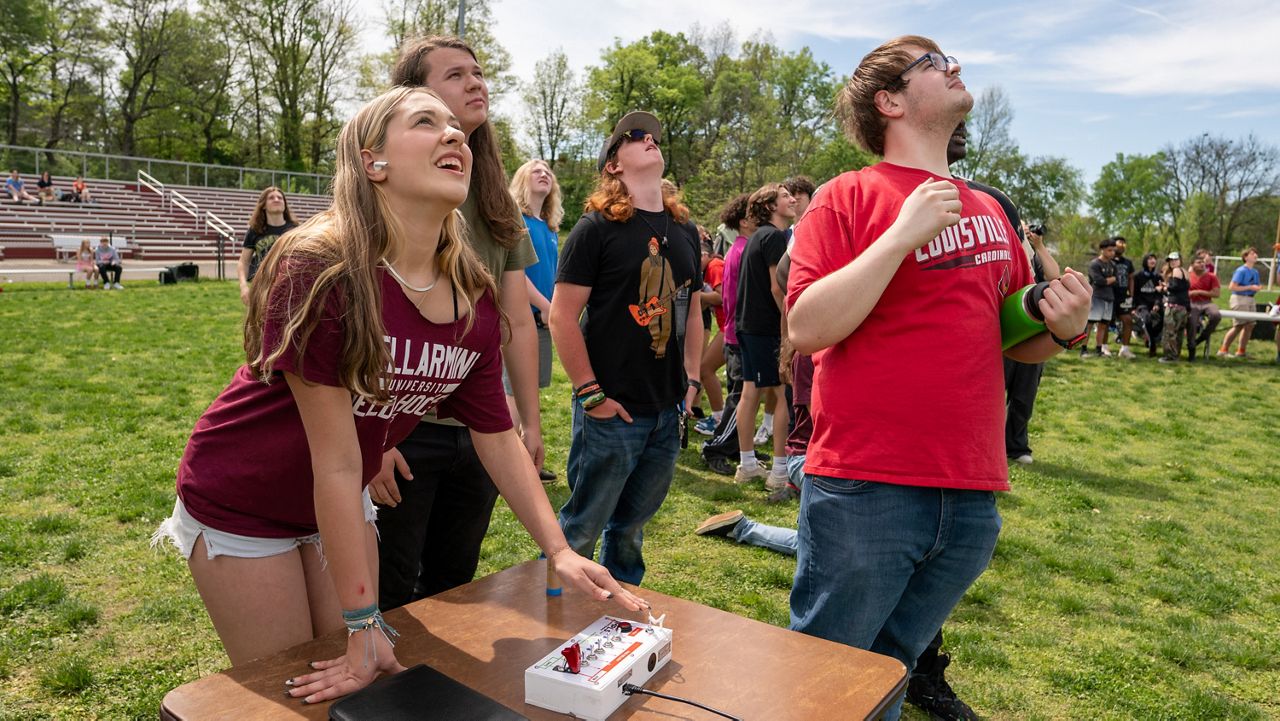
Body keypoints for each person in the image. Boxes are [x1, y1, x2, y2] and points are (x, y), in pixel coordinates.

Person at [151, 87, 646, 705]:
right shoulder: (320, 266)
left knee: (350, 686)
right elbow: (335, 461)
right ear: (372, 162)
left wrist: (559, 550)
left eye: (456, 127)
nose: (455, 134)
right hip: (244, 499)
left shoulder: (473, 295)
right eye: (425, 122)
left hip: (340, 494)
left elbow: (496, 435)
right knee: (296, 691)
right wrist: (364, 623)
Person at [785, 36, 1090, 721]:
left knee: (889, 676)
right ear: (889, 102)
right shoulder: (845, 197)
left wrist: (1063, 328)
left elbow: (1012, 337)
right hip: (867, 485)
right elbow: (806, 326)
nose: (953, 66)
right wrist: (900, 236)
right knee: (825, 683)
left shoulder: (990, 209)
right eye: (931, 63)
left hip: (972, 493)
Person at [373, 35, 545, 610]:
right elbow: (361, 316)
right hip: (401, 426)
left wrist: (530, 422)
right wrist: (372, 438)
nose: (475, 83)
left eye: (478, 72)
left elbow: (517, 320)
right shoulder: (391, 191)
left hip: (479, 428)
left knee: (454, 585)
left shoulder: (497, 201)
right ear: (411, 97)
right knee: (389, 588)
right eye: (455, 75)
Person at [550, 110, 703, 585]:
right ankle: (550, 614)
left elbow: (692, 310)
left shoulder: (685, 231)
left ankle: (619, 615)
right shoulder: (595, 228)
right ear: (613, 165)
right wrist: (590, 393)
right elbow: (561, 316)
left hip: (666, 410)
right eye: (635, 136)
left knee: (631, 531)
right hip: (611, 409)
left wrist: (692, 379)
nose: (649, 139)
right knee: (581, 528)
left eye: (653, 135)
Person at [733, 183, 796, 489]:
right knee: (784, 392)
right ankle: (779, 472)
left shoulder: (757, 236)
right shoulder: (774, 237)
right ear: (771, 206)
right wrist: (790, 324)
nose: (792, 199)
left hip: (748, 325)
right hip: (765, 328)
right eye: (785, 196)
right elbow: (777, 286)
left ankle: (747, 464)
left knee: (751, 393)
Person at [508, 158, 563, 482]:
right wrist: (546, 306)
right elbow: (513, 273)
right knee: (513, 393)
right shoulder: (516, 219)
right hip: (520, 319)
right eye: (536, 171)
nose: (544, 174)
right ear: (522, 180)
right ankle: (509, 467)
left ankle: (526, 460)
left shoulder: (549, 227)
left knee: (529, 392)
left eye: (547, 172)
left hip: (543, 319)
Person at [699, 194, 761, 476]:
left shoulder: (740, 248)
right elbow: (728, 297)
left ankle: (736, 445)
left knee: (743, 394)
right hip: (738, 334)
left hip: (737, 332)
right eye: (755, 214)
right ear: (744, 222)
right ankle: (716, 447)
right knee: (739, 396)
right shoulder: (741, 251)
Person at [237, 187, 299, 306]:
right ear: (263, 205)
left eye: (280, 198)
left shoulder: (296, 230)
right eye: (271, 198)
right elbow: (243, 262)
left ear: (285, 204)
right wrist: (243, 286)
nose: (276, 199)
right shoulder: (255, 230)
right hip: (262, 288)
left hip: (291, 288)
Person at [695, 232, 727, 435]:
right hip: (727, 325)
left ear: (704, 255)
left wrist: (697, 296)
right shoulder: (713, 266)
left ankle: (718, 418)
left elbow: (722, 297)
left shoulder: (714, 266)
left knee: (705, 368)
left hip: (731, 326)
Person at [1218, 247, 1263, 358]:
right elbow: (1232, 287)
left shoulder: (1255, 272)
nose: (1255, 255)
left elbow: (1256, 285)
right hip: (1239, 298)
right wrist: (1249, 287)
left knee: (1250, 325)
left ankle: (1241, 351)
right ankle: (1223, 350)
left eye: (1256, 253)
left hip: (1251, 299)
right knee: (1239, 325)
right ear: (1245, 257)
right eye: (1252, 253)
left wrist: (1257, 288)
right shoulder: (1241, 270)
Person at [1084, 238, 1118, 357]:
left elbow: (1116, 280)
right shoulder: (1094, 264)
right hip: (1096, 297)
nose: (1112, 253)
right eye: (1109, 250)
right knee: (1089, 324)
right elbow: (1098, 281)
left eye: (1113, 250)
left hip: (1109, 298)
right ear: (1102, 250)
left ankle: (1099, 349)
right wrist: (1109, 280)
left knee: (1103, 325)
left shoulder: (1113, 265)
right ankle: (1084, 349)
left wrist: (1109, 280)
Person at [1187, 250, 1222, 359]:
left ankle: (1202, 337)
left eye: (1203, 262)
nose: (1202, 264)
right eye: (1198, 262)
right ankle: (1191, 347)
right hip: (1192, 303)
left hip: (1207, 302)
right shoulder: (1188, 276)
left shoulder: (1212, 277)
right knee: (1192, 321)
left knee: (1216, 315)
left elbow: (1216, 293)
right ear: (1192, 265)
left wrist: (1199, 292)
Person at [1159, 252, 1190, 363]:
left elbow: (1175, 287)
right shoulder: (1185, 272)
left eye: (1175, 259)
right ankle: (1176, 355)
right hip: (1183, 306)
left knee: (1169, 332)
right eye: (1170, 260)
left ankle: (1170, 356)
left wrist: (1165, 287)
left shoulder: (1176, 270)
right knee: (1179, 333)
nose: (1172, 262)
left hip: (1174, 306)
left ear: (1180, 260)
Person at [1132, 253, 1165, 357]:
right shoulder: (1138, 276)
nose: (1152, 261)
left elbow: (1159, 293)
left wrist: (1157, 304)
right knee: (1147, 319)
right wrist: (1133, 306)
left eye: (1154, 259)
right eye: (1150, 259)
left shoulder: (1158, 277)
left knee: (1164, 319)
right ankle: (1152, 344)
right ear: (1145, 261)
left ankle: (1150, 336)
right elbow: (1134, 293)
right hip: (1142, 304)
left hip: (1155, 304)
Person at [1112, 237, 1137, 359]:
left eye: (1124, 244)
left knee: (1128, 320)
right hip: (1109, 295)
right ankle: (1102, 348)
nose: (1122, 246)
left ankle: (1125, 349)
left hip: (1123, 296)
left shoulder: (1128, 262)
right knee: (1105, 323)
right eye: (1120, 243)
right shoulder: (1108, 260)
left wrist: (1131, 294)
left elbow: (1131, 278)